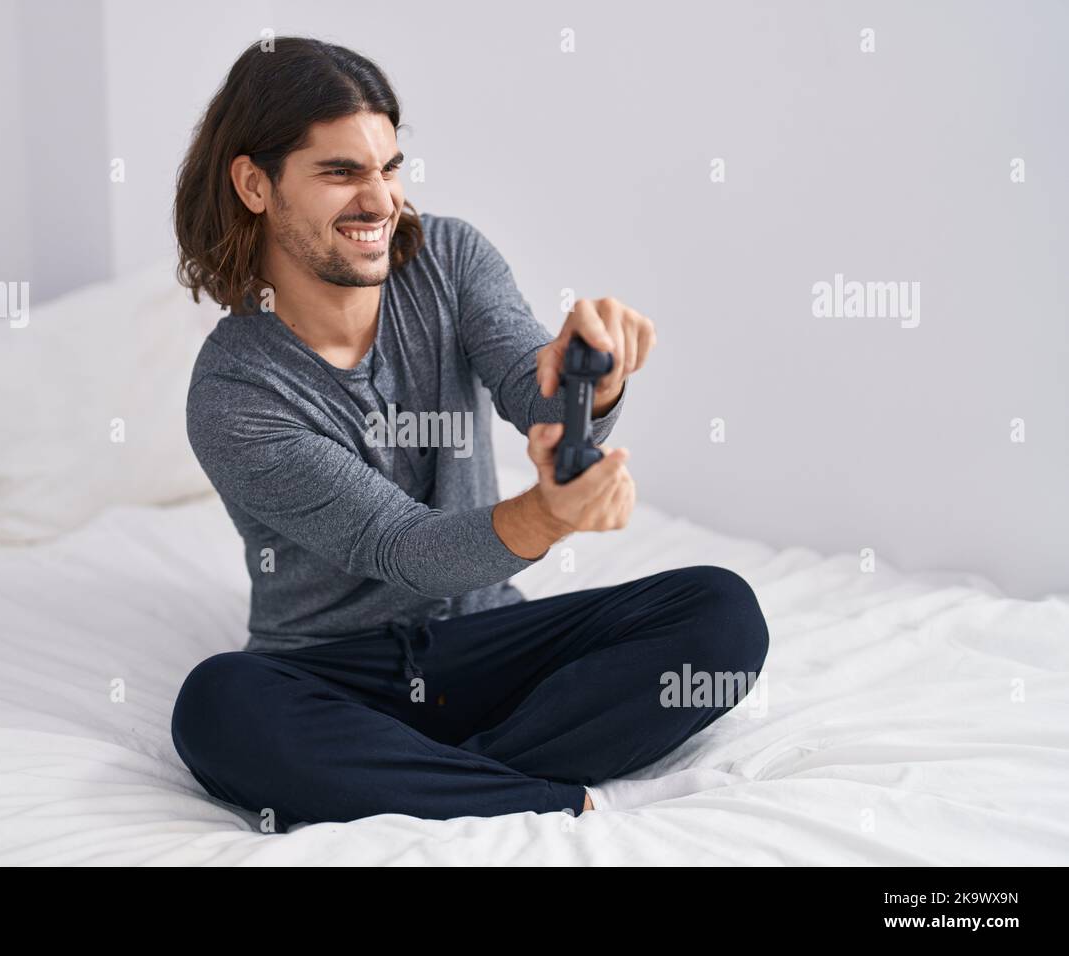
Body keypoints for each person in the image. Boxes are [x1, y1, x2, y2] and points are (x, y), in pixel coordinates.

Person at [170, 36, 769, 831]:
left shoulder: (449, 258)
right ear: (255, 184)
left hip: (490, 642)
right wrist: (549, 517)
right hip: (334, 674)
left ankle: (428, 781)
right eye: (340, 172)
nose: (379, 201)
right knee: (217, 708)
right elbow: (405, 550)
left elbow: (539, 401)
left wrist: (594, 376)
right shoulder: (234, 392)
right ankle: (537, 797)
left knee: (721, 613)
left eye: (388, 168)